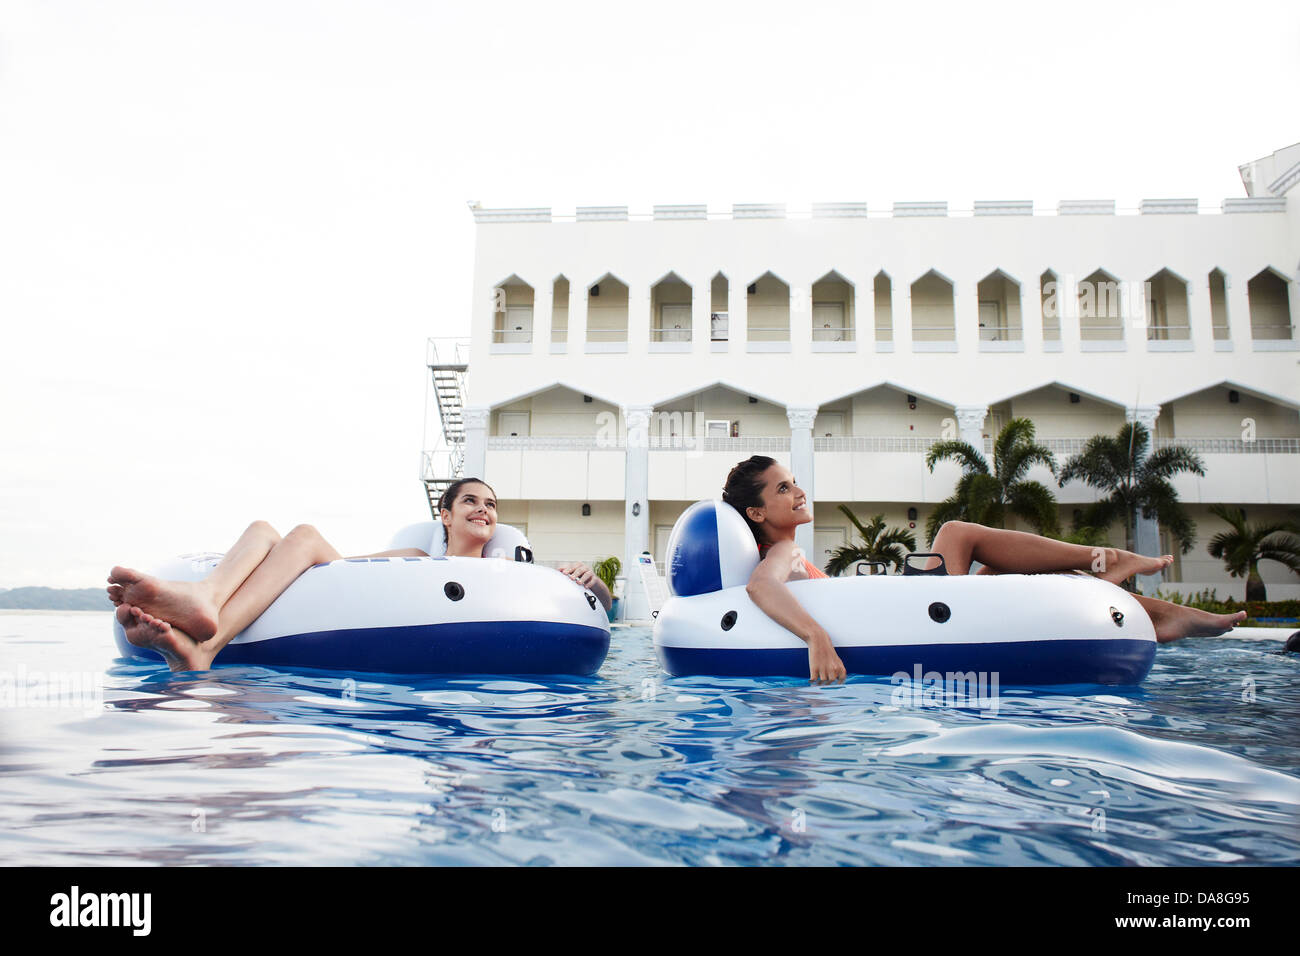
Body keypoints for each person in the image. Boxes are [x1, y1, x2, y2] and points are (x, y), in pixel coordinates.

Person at [722, 456, 1248, 685]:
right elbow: (759, 586)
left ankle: (1157, 614)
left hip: (909, 612)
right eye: (783, 488)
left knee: (1005, 577)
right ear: (758, 513)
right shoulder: (782, 553)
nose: (798, 492)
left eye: (794, 482)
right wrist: (816, 637)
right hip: (906, 619)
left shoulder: (793, 551)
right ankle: (1108, 565)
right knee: (956, 535)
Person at [108, 478, 612, 672]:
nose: (484, 511)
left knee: (300, 534)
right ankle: (204, 601)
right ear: (446, 514)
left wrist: (592, 581)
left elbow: (602, 607)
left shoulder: (515, 578)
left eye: (491, 506)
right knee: (268, 530)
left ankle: (206, 635)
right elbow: (347, 574)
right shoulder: (416, 553)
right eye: (471, 502)